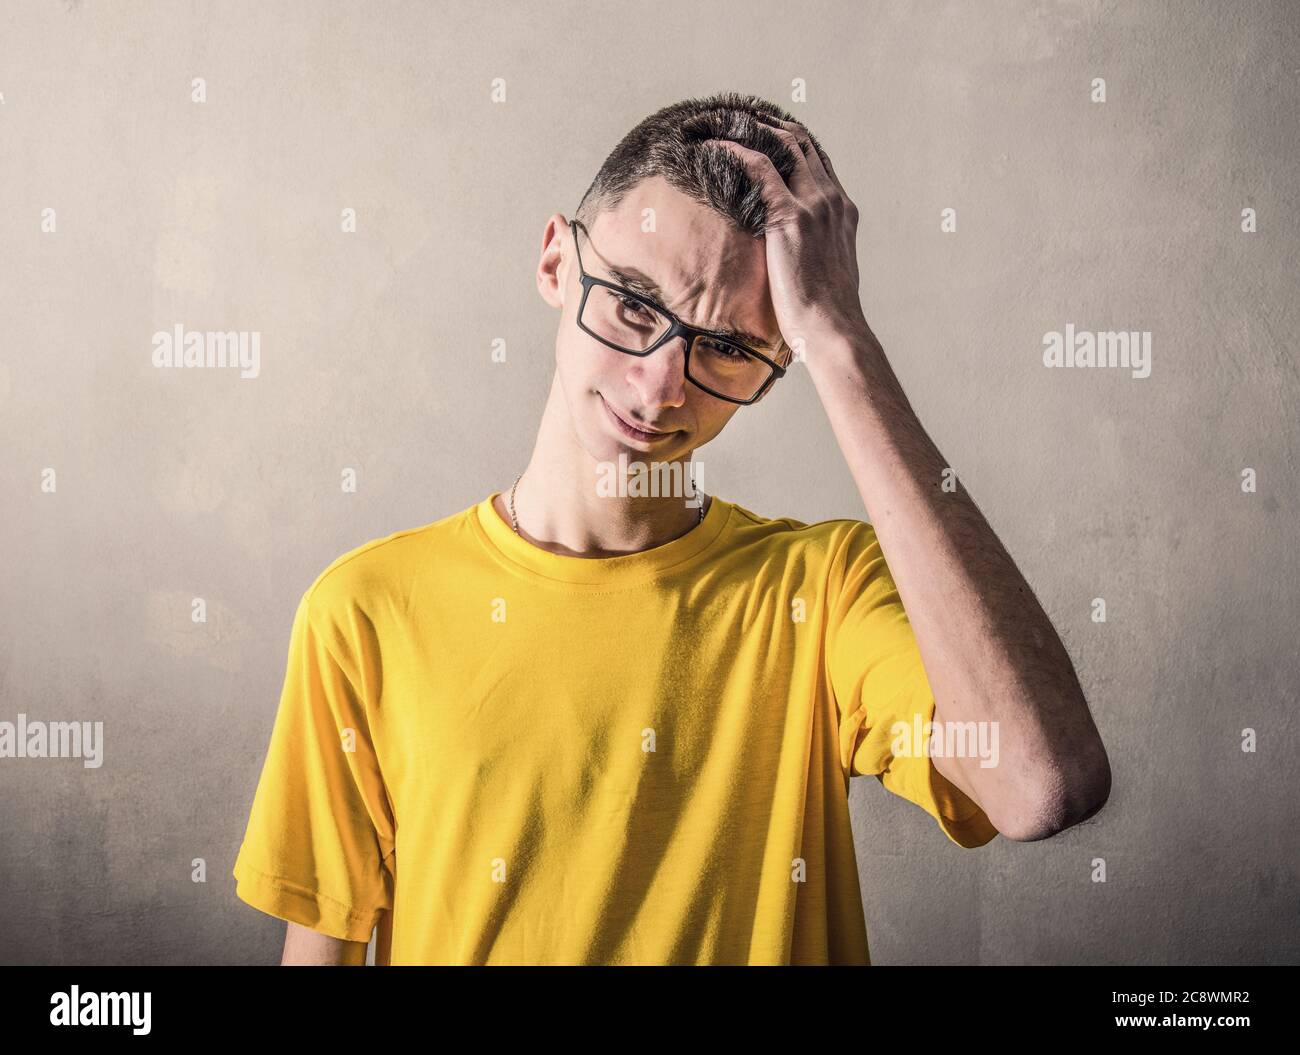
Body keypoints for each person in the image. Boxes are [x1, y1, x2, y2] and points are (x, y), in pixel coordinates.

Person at [232, 92, 1110, 966]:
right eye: (632, 303)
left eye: (727, 348)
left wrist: (840, 339)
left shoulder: (823, 592)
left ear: (773, 374)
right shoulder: (364, 612)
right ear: (555, 262)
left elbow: (1041, 784)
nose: (659, 387)